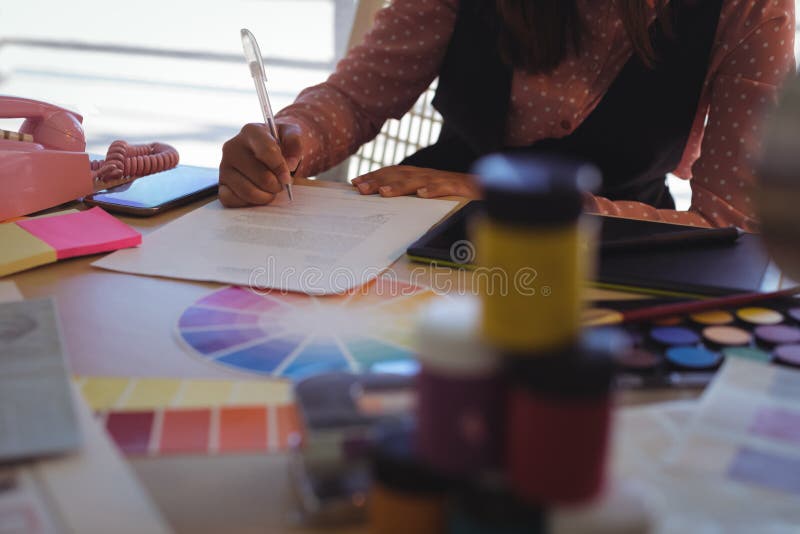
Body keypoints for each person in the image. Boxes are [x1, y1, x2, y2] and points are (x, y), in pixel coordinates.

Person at [219, 0, 795, 231]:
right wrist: (295, 135)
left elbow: (732, 226)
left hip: (611, 253)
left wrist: (509, 200)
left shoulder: (750, 9)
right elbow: (354, 98)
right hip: (431, 233)